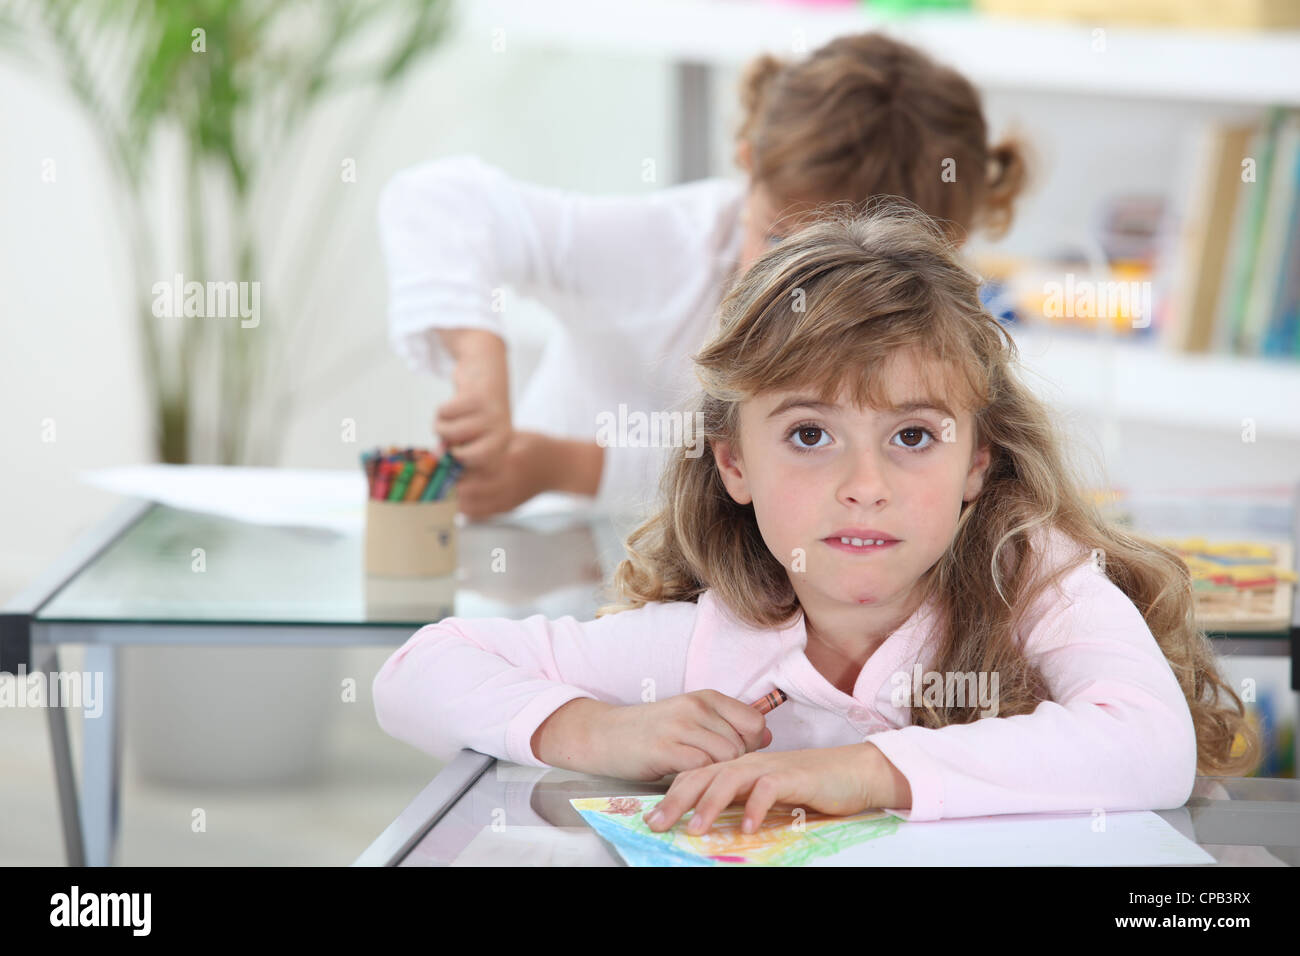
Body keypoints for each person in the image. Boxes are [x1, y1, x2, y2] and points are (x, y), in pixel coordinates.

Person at [372, 203, 1258, 833]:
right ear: (734, 464)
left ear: (976, 465)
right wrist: (600, 728)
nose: (863, 484)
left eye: (913, 434)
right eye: (808, 434)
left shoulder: (1035, 580)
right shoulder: (704, 645)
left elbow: (1150, 747)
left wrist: (862, 773)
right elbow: (417, 673)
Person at [376, 31, 1027, 519]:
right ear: (748, 166)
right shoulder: (667, 248)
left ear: (947, 250)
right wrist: (478, 359)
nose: (798, 290)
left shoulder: (947, 344)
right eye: (776, 238)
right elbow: (439, 200)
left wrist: (567, 464)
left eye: (857, 275)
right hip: (566, 580)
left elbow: (796, 480)